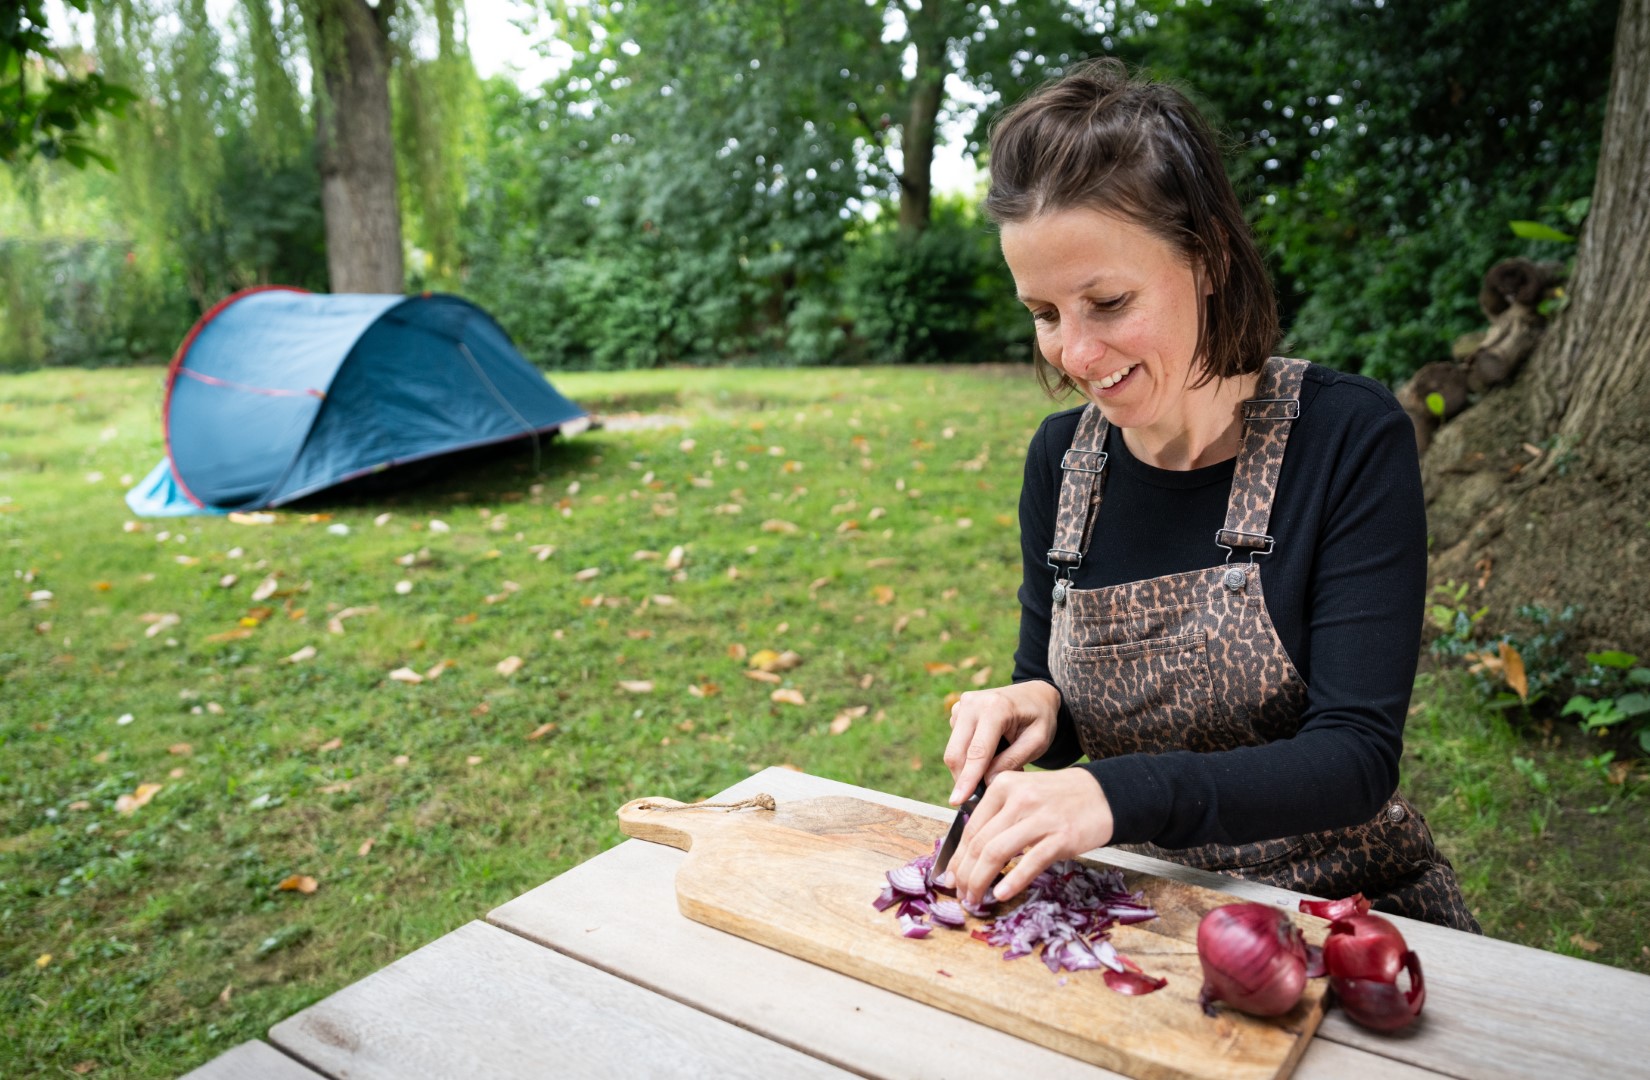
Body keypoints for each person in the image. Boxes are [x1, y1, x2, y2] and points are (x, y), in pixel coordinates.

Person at [941, 58, 1479, 933]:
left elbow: (1356, 757)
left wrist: (1114, 794)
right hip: (1140, 913)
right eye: (1043, 313)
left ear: (1211, 259)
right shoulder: (1061, 463)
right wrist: (1030, 705)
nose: (1074, 354)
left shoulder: (1347, 438)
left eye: (1107, 301)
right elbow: (1054, 694)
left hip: (1341, 912)